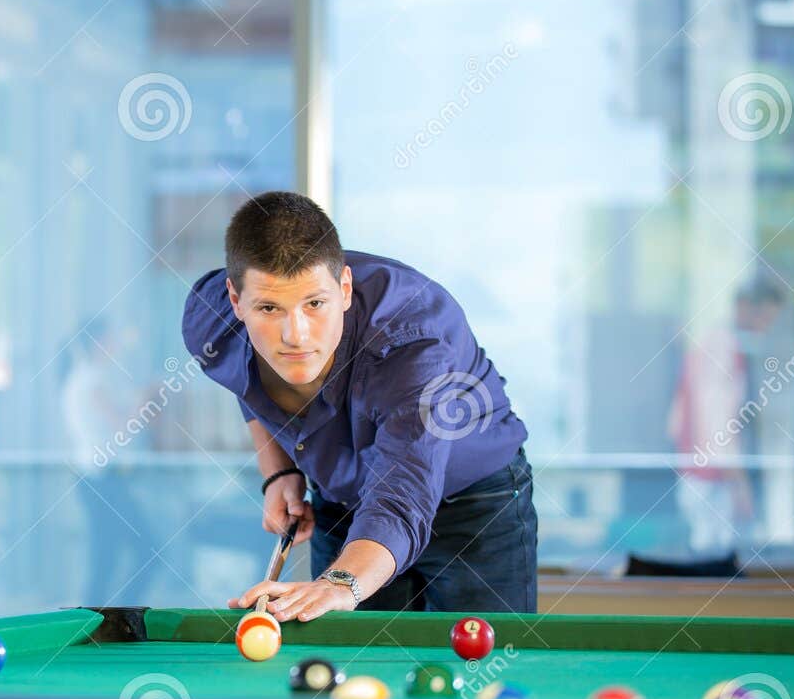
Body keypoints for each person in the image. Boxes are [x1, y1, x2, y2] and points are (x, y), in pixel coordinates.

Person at [180, 191, 536, 621]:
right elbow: (246, 385)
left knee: (485, 675)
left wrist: (341, 583)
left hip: (471, 504)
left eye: (315, 304)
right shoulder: (211, 324)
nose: (296, 335)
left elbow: (400, 498)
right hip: (344, 502)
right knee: (345, 675)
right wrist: (279, 470)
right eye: (269, 307)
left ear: (344, 288)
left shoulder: (414, 340)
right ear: (235, 302)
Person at [666, 277, 791, 557]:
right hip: (712, 478)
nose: (765, 328)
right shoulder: (720, 347)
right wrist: (738, 482)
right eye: (764, 318)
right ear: (744, 307)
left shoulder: (720, 344)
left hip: (708, 474)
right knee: (715, 563)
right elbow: (716, 423)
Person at [60, 317, 165, 603]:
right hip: (99, 479)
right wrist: (146, 398)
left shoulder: (89, 378)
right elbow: (122, 426)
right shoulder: (90, 380)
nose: (116, 344)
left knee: (107, 555)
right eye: (110, 337)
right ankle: (111, 618)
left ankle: (100, 621)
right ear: (96, 343)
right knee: (143, 551)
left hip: (98, 479)